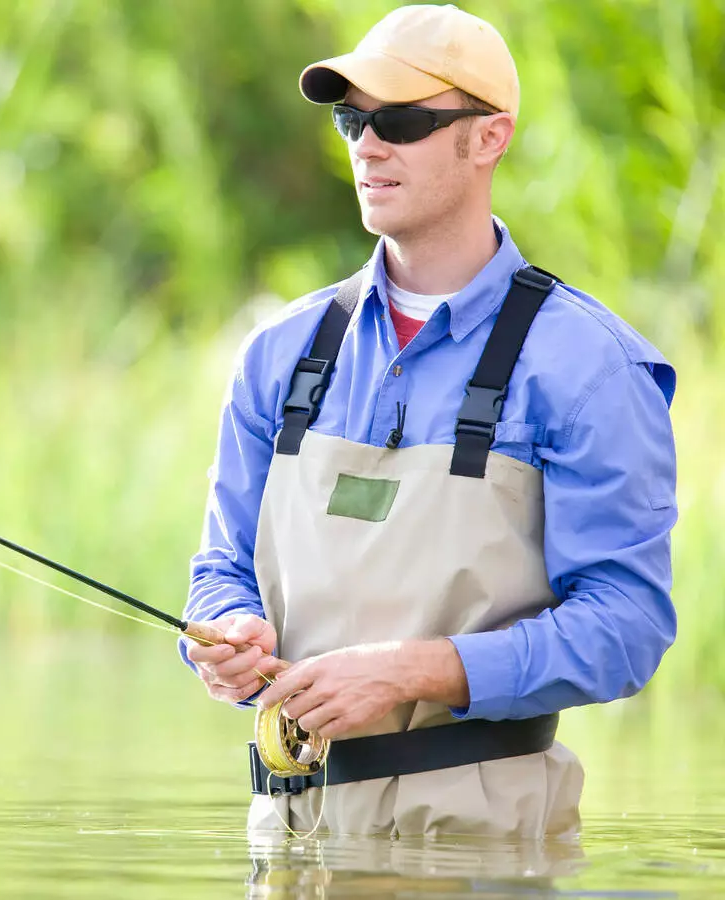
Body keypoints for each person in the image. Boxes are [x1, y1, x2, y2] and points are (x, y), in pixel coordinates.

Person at [179, 3, 677, 839]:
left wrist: (419, 671)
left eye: (402, 121)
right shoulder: (277, 353)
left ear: (489, 138)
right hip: (287, 842)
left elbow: (626, 628)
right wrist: (224, 633)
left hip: (484, 850)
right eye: (351, 118)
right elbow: (220, 566)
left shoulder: (592, 367)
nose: (367, 146)